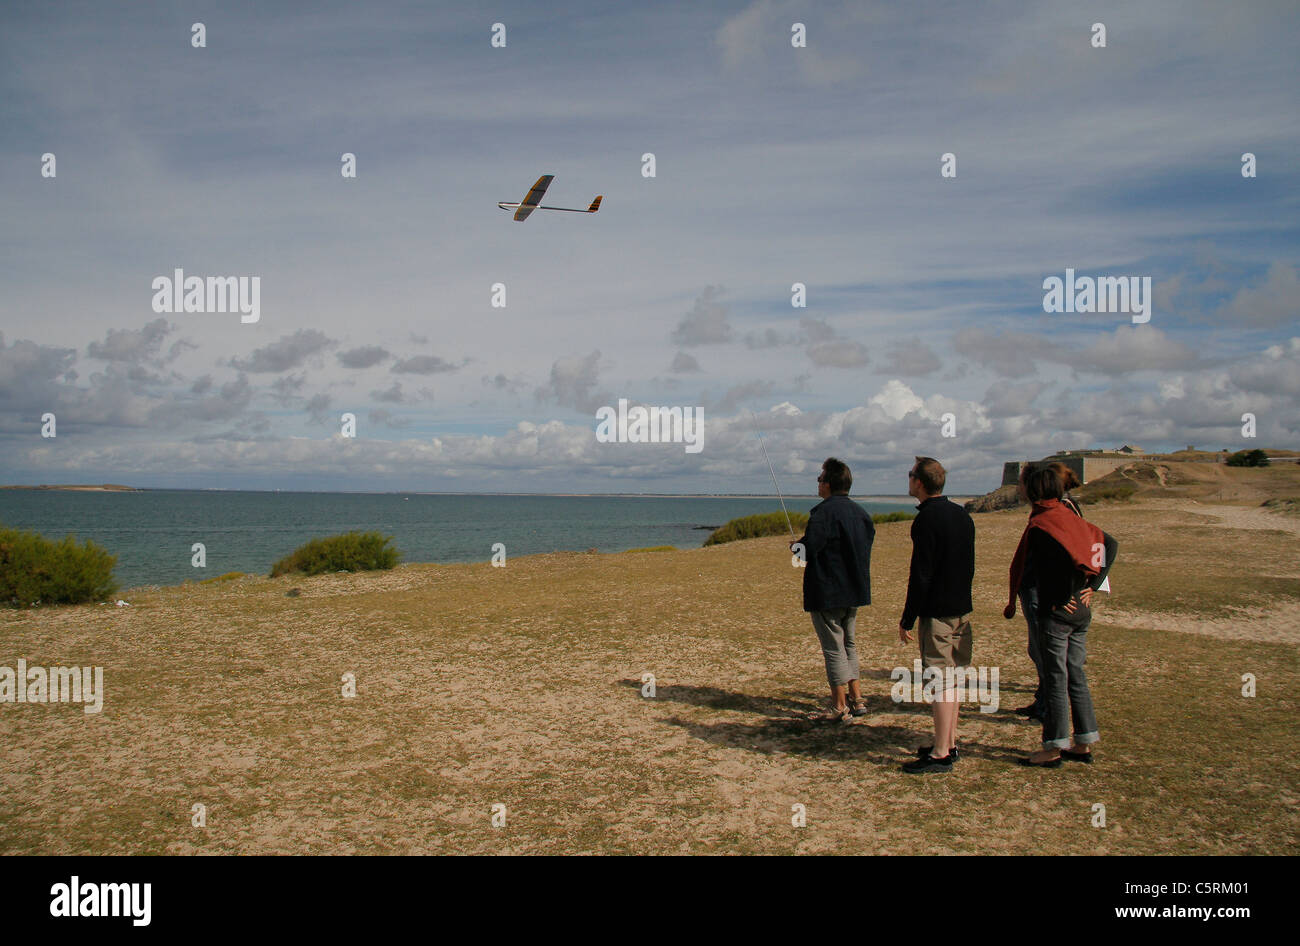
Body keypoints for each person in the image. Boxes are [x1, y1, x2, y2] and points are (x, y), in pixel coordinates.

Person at [1005, 466, 1118, 767]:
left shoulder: (1043, 524)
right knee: (1075, 675)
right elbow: (1107, 544)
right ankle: (1083, 742)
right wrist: (1091, 584)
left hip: (1057, 614)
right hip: (1081, 611)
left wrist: (1062, 597)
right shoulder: (1068, 516)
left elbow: (1054, 565)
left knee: (1056, 679)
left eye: (1023, 486)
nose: (1020, 489)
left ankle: (1053, 748)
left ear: (1033, 491)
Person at [897, 457, 975, 773]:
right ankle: (949, 742)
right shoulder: (962, 516)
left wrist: (908, 618)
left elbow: (921, 575)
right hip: (960, 609)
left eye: (910, 475)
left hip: (939, 613)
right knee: (952, 678)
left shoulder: (926, 520)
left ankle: (942, 752)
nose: (908, 479)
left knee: (940, 681)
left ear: (919, 482)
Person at [792, 457, 875, 723]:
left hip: (828, 592)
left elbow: (808, 550)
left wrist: (796, 547)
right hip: (854, 591)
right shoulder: (861, 514)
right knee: (848, 644)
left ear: (828, 484)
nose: (817, 483)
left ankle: (840, 705)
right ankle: (857, 698)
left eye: (820, 479)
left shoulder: (823, 513)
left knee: (834, 648)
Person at [1009, 461, 1085, 720]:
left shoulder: (1059, 512)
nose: (1019, 488)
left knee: (1046, 652)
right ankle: (1044, 699)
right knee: (1038, 650)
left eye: (1021, 483)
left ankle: (1050, 708)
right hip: (1035, 589)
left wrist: (1076, 590)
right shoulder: (1046, 512)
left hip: (1041, 591)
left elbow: (1081, 551)